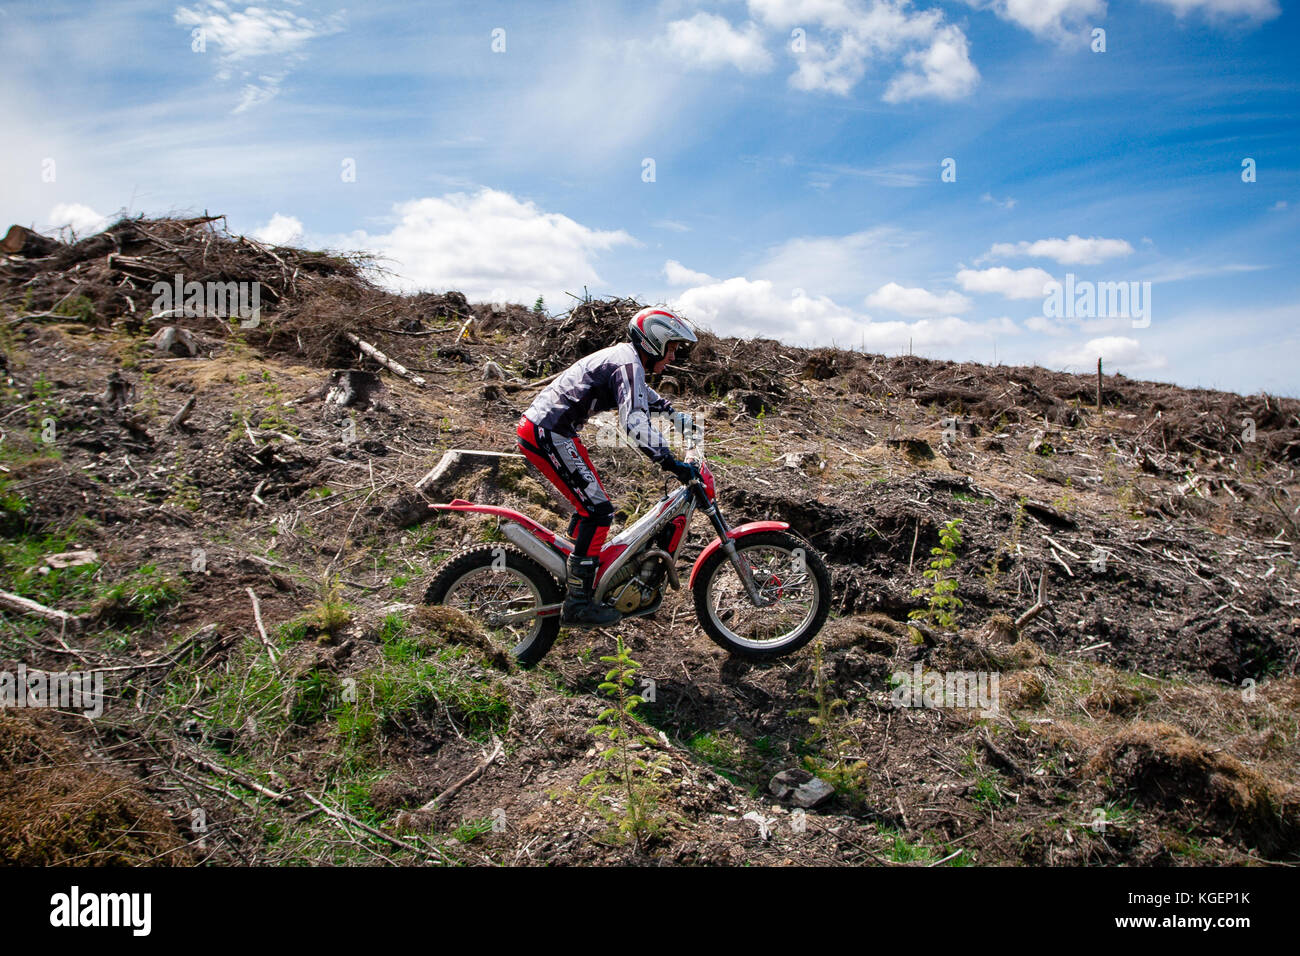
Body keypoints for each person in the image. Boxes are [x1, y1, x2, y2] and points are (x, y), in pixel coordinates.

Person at [516, 306, 700, 626]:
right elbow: (634, 422)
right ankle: (577, 602)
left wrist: (676, 418)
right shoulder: (627, 362)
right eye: (670, 348)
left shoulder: (627, 360)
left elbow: (643, 395)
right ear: (653, 341)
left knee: (593, 502)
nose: (672, 357)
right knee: (598, 510)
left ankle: (577, 561)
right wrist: (670, 461)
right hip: (549, 432)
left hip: (553, 430)